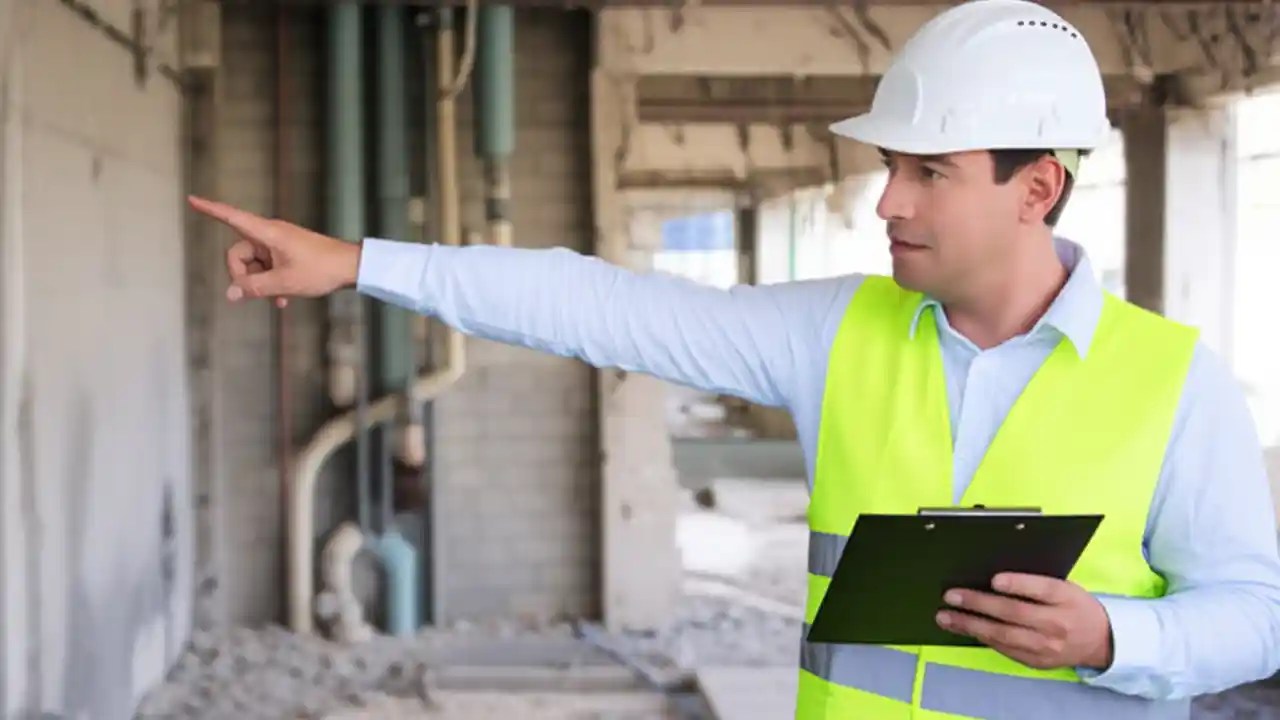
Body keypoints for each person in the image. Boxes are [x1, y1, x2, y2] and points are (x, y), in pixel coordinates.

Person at [190, 0, 1280, 717]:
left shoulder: (1172, 382)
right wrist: (357, 261)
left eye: (927, 173)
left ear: (1034, 187)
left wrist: (1108, 634)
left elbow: (1252, 614)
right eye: (887, 167)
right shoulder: (835, 332)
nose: (887, 202)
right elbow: (596, 307)